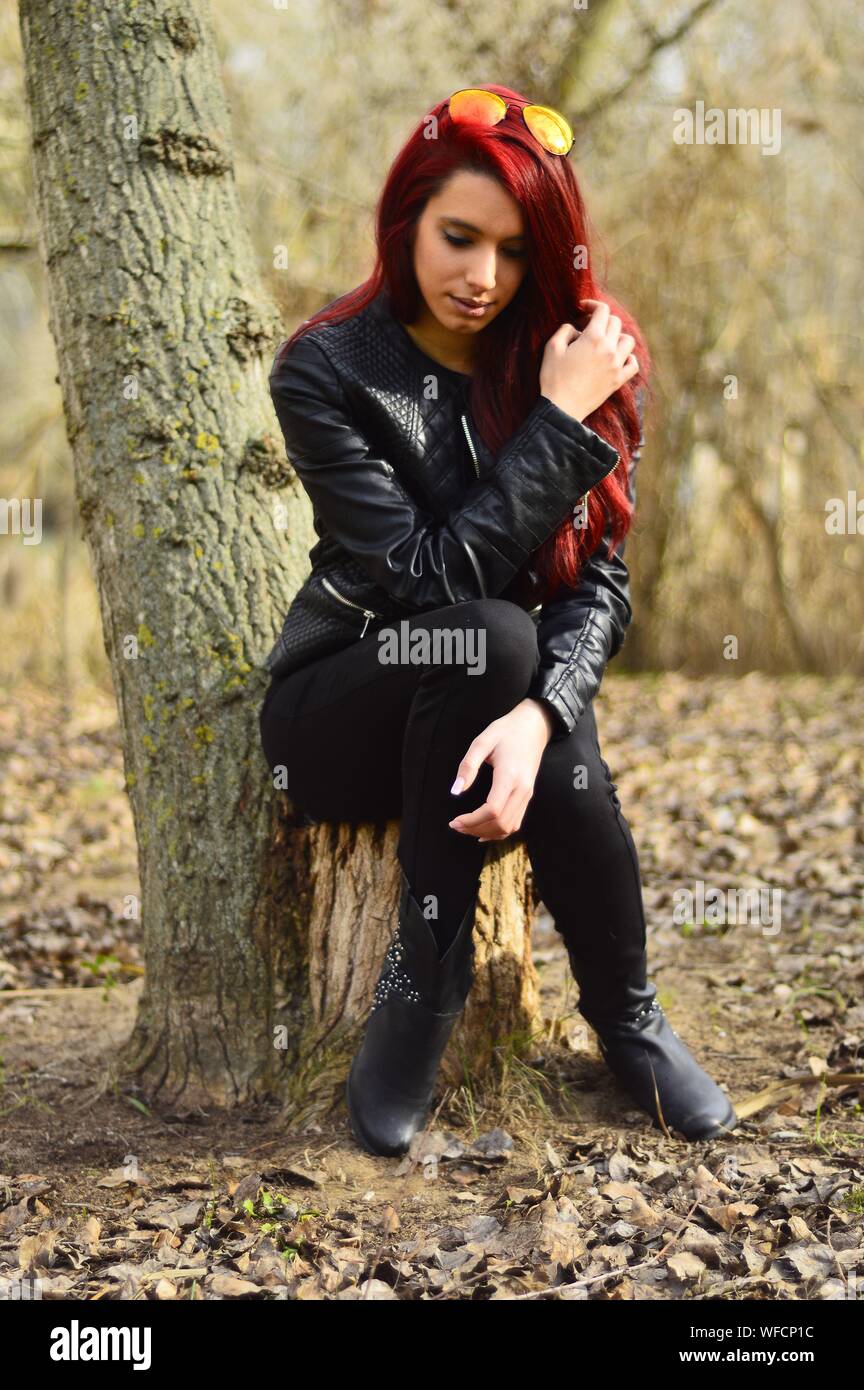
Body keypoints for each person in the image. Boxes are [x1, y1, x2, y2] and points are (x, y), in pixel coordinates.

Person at [259, 85, 737, 1156]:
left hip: (492, 715)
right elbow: (425, 582)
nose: (482, 277)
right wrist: (557, 426)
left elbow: (599, 585)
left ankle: (626, 1016)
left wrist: (540, 716)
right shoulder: (330, 369)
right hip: (343, 707)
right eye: (458, 238)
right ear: (405, 221)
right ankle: (422, 982)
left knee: (536, 689)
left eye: (514, 250)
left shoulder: (585, 358)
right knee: (490, 634)